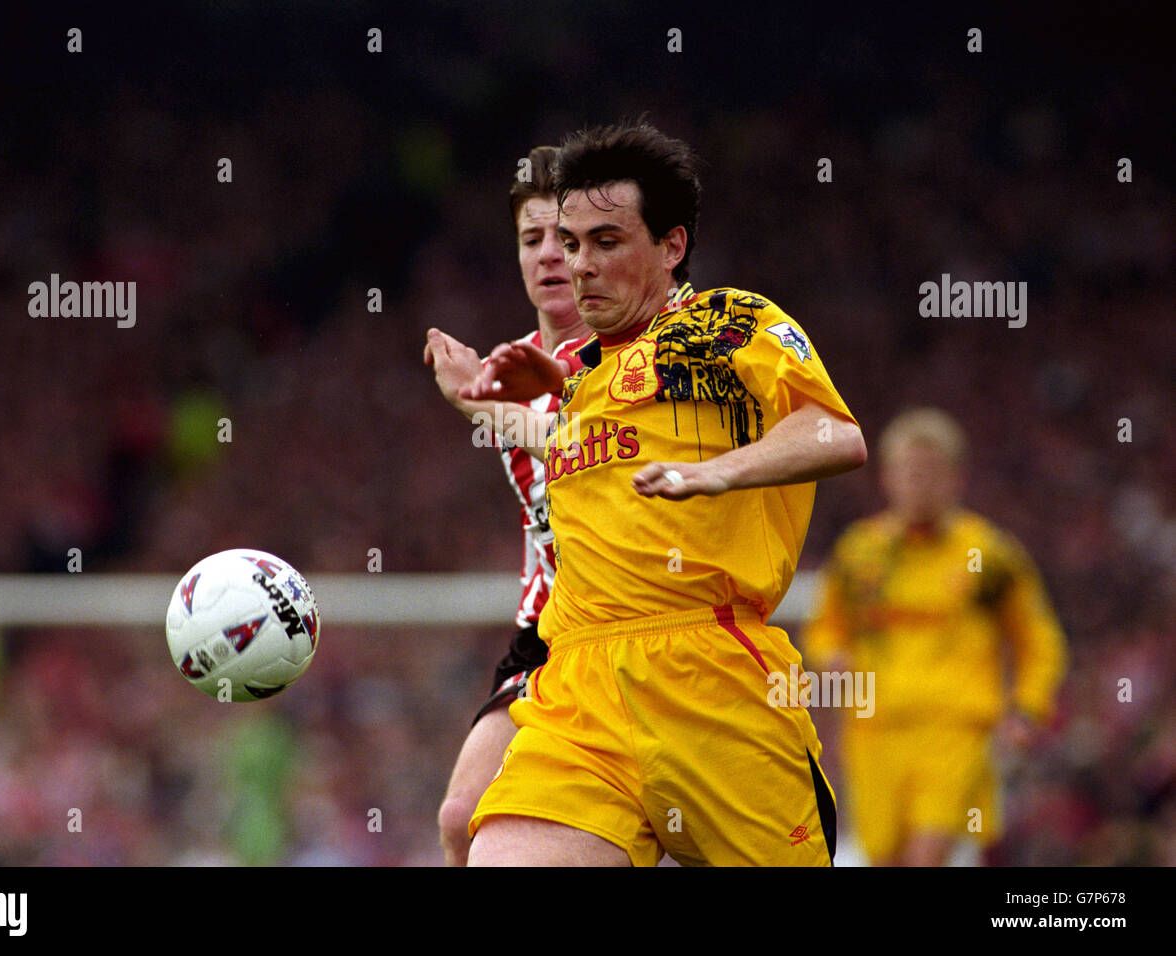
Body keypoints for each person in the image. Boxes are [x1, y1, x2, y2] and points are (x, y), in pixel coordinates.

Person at [452, 121, 866, 866]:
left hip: (711, 678)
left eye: (606, 242)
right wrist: (476, 403)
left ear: (672, 246)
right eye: (571, 243)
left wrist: (720, 471)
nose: (579, 265)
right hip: (576, 688)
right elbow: (569, 447)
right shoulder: (579, 376)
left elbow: (837, 435)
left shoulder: (725, 326)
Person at [800, 407, 1068, 866]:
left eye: (929, 472)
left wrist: (1029, 707)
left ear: (955, 479)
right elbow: (825, 626)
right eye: (908, 472)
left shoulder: (989, 555)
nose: (918, 483)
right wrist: (832, 655)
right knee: (882, 859)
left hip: (953, 733)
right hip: (873, 734)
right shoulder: (860, 552)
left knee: (926, 859)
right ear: (887, 478)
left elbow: (1039, 639)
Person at [423, 146, 588, 866]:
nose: (550, 255)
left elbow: (595, 450)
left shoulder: (629, 352)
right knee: (461, 818)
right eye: (532, 239)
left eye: (569, 238)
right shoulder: (506, 364)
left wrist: (477, 409)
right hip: (545, 634)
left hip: (634, 628)